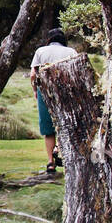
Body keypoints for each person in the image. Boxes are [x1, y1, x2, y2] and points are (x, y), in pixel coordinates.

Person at [29, 29, 75, 174]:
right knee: (64, 124)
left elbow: (33, 74)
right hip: (65, 93)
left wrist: (36, 90)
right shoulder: (71, 52)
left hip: (45, 92)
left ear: (49, 39)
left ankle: (50, 162)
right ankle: (59, 149)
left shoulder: (41, 51)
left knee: (48, 129)